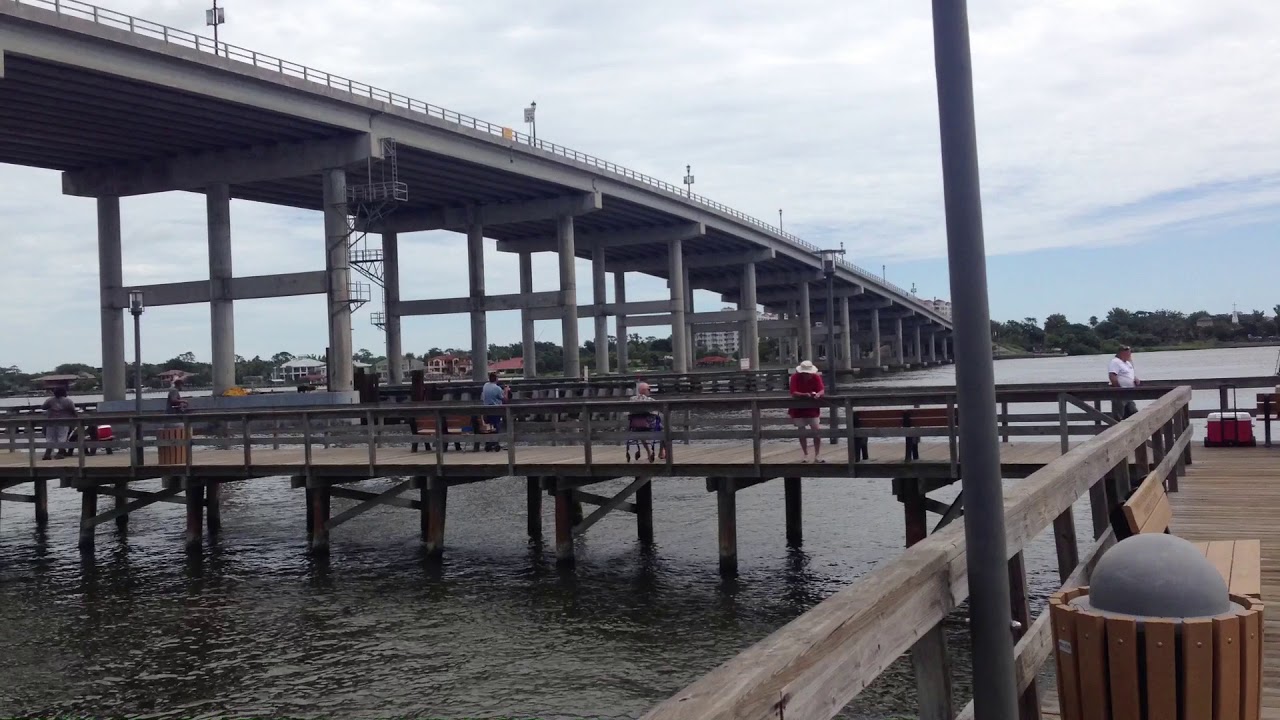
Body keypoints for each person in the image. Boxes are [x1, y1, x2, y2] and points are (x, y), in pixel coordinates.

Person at [789, 360, 826, 463]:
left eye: (808, 373)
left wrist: (818, 394)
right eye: (805, 373)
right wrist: (805, 394)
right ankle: (805, 454)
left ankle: (817, 454)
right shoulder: (794, 377)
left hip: (812, 408)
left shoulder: (816, 377)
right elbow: (793, 392)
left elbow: (822, 390)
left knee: (816, 431)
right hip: (798, 408)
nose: (807, 375)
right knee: (802, 432)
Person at [41, 386, 77, 460]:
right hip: (64, 421)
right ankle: (60, 453)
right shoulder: (68, 401)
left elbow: (43, 407)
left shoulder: (50, 400)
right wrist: (75, 418)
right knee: (62, 437)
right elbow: (73, 410)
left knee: (50, 438)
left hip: (51, 421)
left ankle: (47, 454)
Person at [1108, 346, 1140, 419]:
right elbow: (1112, 376)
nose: (1130, 354)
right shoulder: (1115, 362)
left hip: (1128, 393)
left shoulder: (1127, 363)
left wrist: (1135, 379)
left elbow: (1127, 374)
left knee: (1133, 412)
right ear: (1122, 353)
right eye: (1128, 352)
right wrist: (1119, 389)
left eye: (1129, 352)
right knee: (1119, 415)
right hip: (1120, 393)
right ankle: (1116, 429)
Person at [480, 372, 509, 452]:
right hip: (495, 411)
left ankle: (489, 443)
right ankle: (495, 443)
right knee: (496, 426)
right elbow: (505, 399)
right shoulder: (497, 388)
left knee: (490, 427)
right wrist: (506, 391)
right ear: (496, 379)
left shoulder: (485, 385)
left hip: (486, 410)